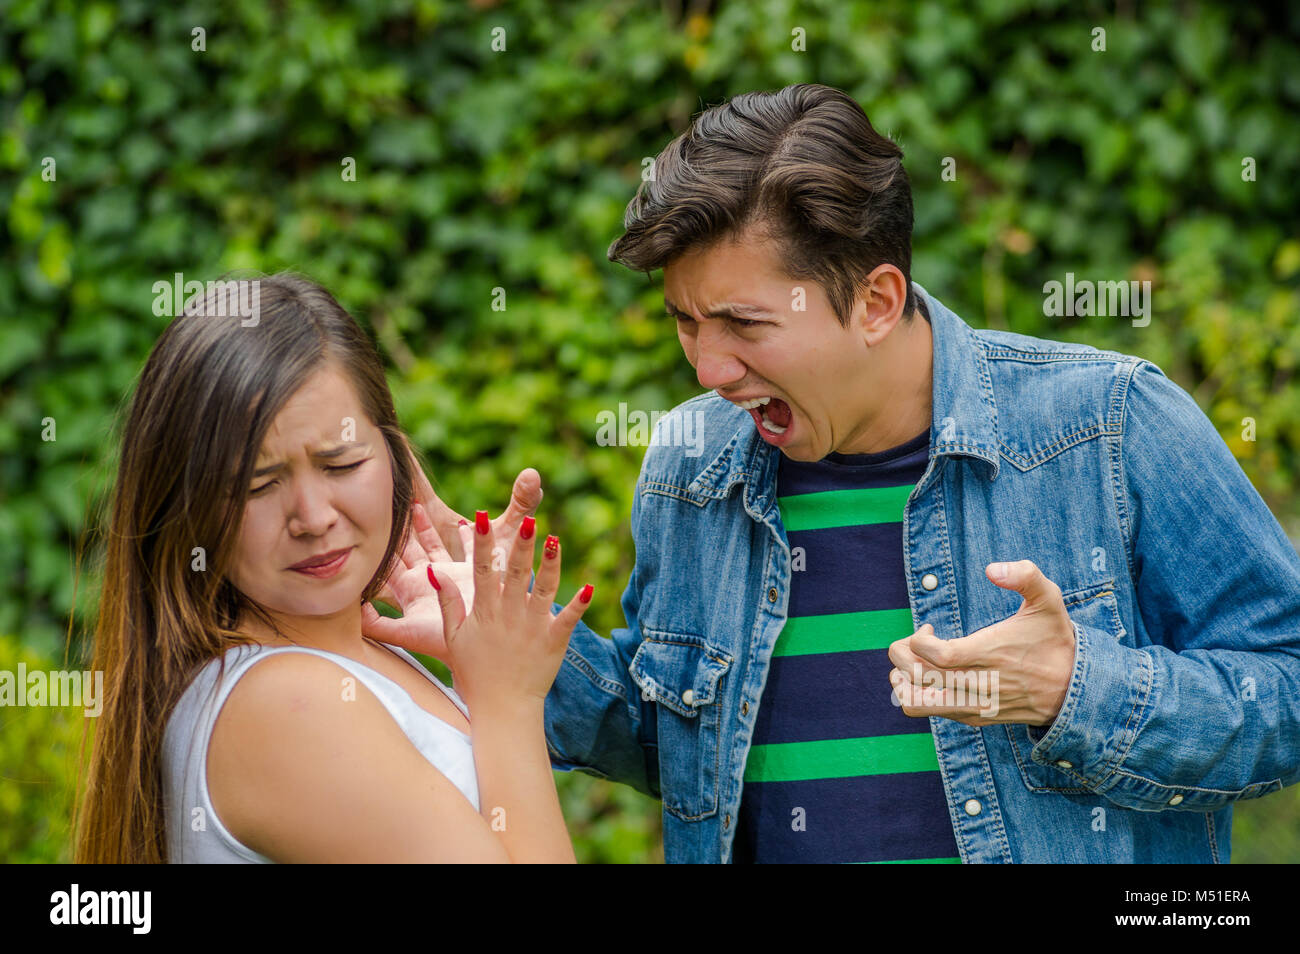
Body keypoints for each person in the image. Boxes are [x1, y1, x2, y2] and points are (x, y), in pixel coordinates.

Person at [414, 83, 1300, 863]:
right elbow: (680, 746)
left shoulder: (1107, 426)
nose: (707, 370)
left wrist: (1078, 690)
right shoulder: (691, 465)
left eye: (744, 325)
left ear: (875, 301)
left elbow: (1286, 689)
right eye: (685, 322)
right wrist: (497, 635)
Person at [73, 273, 592, 863]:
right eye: (257, 486)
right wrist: (507, 700)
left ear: (395, 454)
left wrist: (478, 658)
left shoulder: (354, 660)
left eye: (342, 464)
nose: (313, 517)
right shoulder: (285, 707)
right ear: (185, 505)